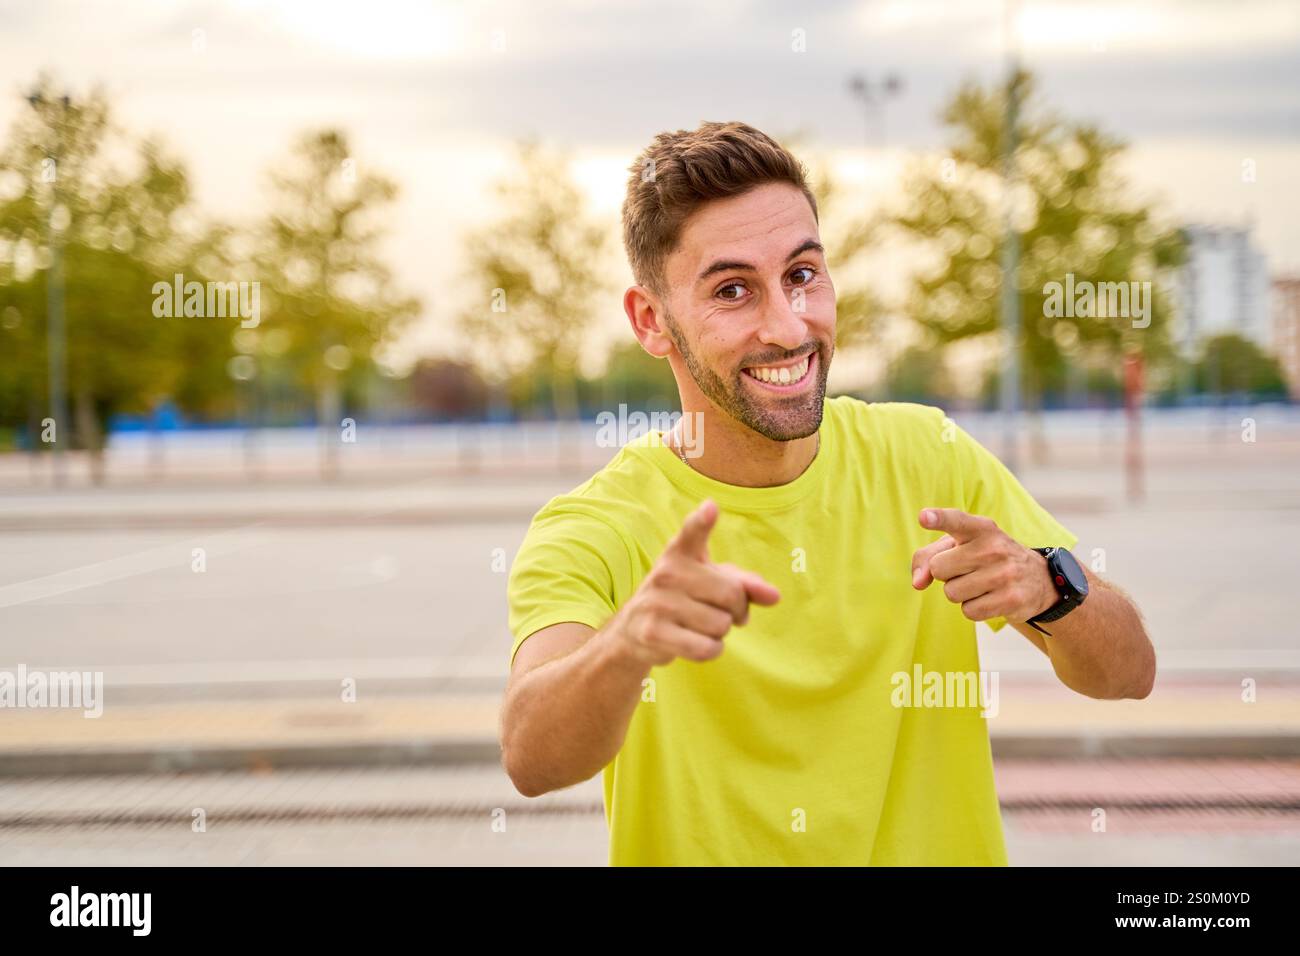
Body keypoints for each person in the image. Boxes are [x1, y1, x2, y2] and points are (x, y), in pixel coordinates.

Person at [500, 120, 1155, 866]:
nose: (789, 324)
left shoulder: (929, 456)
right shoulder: (595, 527)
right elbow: (531, 755)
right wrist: (628, 643)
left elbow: (1129, 674)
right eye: (733, 290)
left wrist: (1050, 586)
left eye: (803, 275)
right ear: (653, 321)